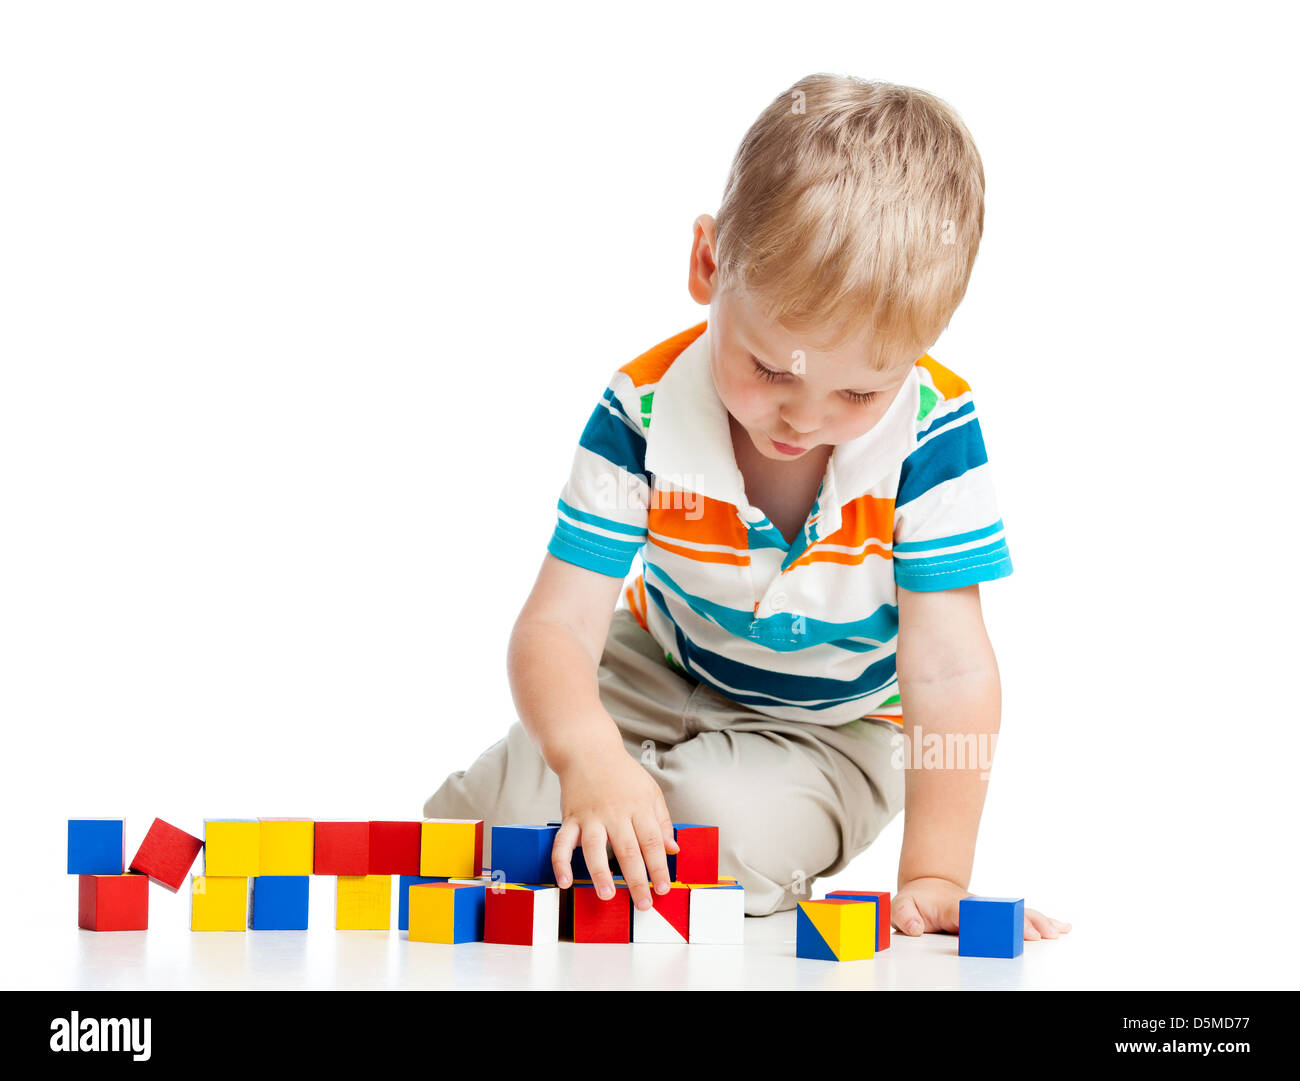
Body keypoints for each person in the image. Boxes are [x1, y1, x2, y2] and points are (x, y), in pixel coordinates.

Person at [424, 73, 1070, 941]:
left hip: (831, 731)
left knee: (719, 830)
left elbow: (950, 671)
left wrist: (936, 871)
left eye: (859, 393)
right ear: (707, 263)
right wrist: (590, 757)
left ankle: (629, 814)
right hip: (653, 673)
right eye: (771, 370)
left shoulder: (934, 437)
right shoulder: (643, 410)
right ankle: (579, 801)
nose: (803, 417)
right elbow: (558, 628)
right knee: (481, 826)